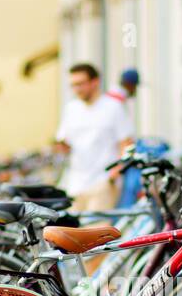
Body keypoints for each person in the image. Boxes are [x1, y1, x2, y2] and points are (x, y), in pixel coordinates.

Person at [54, 63, 133, 213]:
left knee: (96, 231)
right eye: (73, 85)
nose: (77, 89)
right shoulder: (71, 109)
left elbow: (126, 142)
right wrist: (61, 146)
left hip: (102, 182)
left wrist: (115, 173)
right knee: (73, 233)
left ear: (95, 82)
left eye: (80, 84)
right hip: (75, 183)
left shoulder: (113, 107)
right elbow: (64, 142)